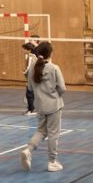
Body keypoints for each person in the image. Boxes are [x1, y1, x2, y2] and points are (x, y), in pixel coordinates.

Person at [20, 41, 66, 172]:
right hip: (54, 105)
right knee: (53, 134)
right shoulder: (54, 68)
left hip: (39, 105)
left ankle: (28, 150)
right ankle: (52, 162)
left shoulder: (32, 69)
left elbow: (29, 87)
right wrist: (55, 94)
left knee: (41, 131)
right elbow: (62, 88)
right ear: (50, 53)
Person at [22, 41, 38, 116]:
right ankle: (30, 109)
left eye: (24, 49)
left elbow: (29, 67)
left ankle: (31, 110)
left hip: (31, 79)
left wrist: (25, 72)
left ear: (28, 50)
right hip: (30, 78)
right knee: (29, 94)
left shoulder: (31, 56)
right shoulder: (31, 56)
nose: (23, 50)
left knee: (30, 94)